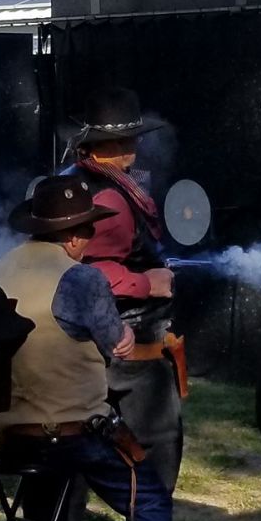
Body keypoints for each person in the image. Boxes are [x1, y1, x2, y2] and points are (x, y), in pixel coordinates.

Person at [0, 174, 187, 521]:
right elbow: (116, 345)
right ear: (74, 235)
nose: (91, 240)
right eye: (89, 231)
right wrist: (129, 337)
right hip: (68, 433)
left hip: (9, 436)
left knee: (43, 500)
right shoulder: (82, 278)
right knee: (151, 501)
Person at [66, 88, 185, 496]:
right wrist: (147, 282)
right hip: (128, 342)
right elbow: (90, 270)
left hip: (88, 342)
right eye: (130, 136)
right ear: (115, 144)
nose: (136, 144)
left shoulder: (74, 180)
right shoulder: (112, 199)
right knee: (157, 444)